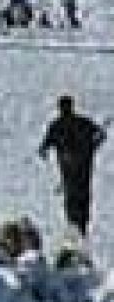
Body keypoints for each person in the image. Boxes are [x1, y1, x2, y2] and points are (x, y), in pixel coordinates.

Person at [39, 95, 105, 242]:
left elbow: (44, 146)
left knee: (75, 199)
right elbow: (100, 134)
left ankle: (77, 230)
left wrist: (93, 146)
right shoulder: (78, 123)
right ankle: (78, 229)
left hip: (73, 170)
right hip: (79, 169)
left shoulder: (58, 125)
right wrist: (92, 147)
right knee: (79, 199)